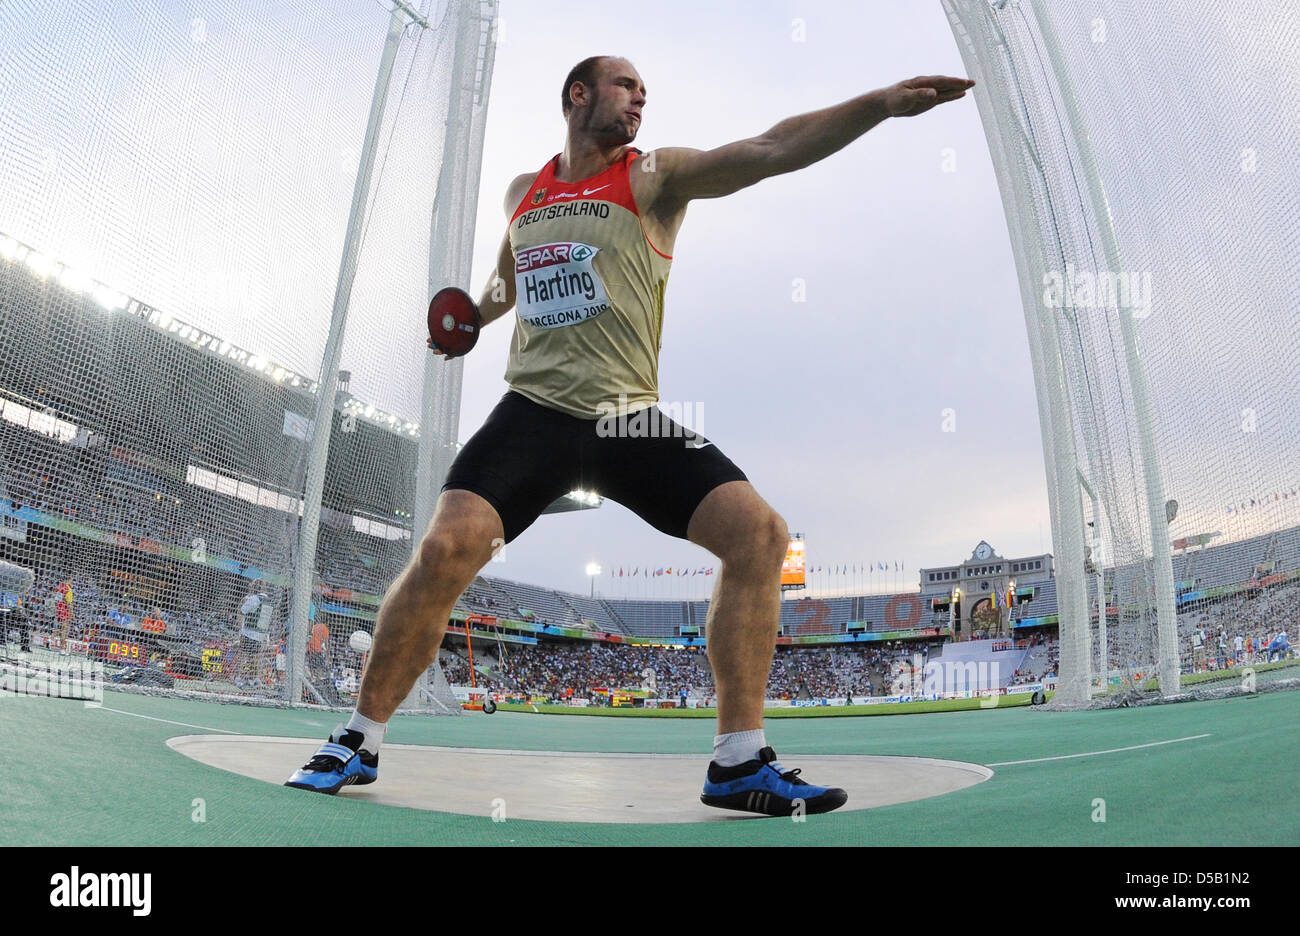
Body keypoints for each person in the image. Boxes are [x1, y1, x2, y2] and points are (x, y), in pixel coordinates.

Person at [286, 55, 973, 816]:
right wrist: (471, 321)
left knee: (760, 536)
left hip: (626, 415)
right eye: (625, 85)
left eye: (645, 91)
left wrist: (877, 103)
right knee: (446, 549)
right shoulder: (526, 192)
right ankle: (357, 738)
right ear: (578, 96)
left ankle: (739, 761)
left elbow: (773, 149)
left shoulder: (655, 178)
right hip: (535, 413)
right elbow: (505, 283)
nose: (641, 97)